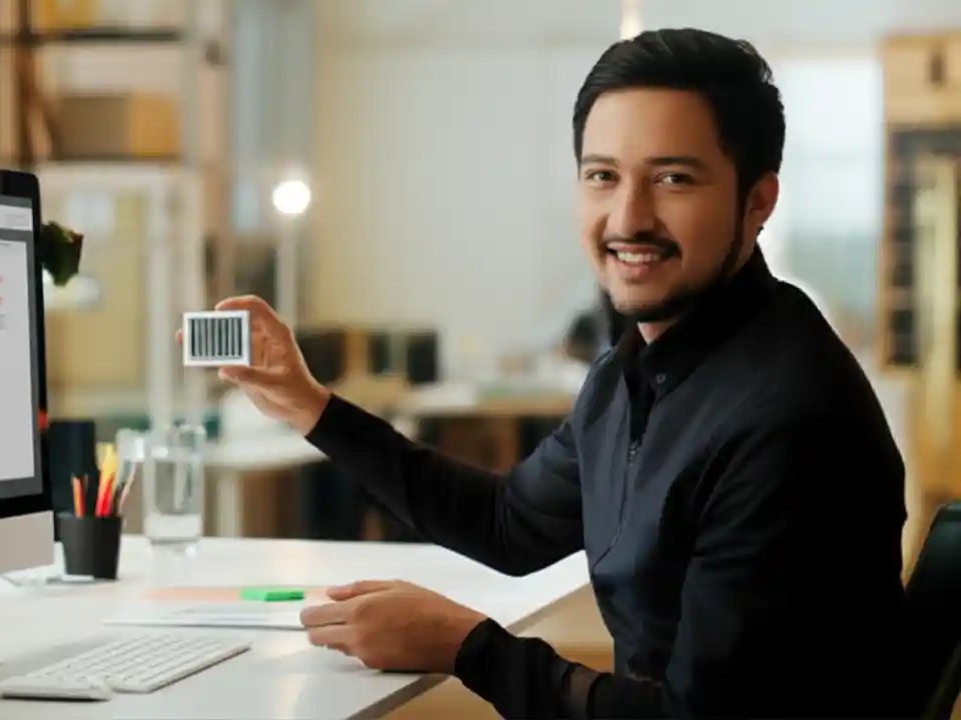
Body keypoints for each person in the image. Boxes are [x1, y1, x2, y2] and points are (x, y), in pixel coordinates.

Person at [196, 28, 909, 719]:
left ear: (758, 201)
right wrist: (310, 407)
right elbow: (509, 524)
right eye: (602, 176)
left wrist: (465, 646)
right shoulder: (633, 370)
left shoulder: (786, 418)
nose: (628, 217)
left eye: (673, 179)